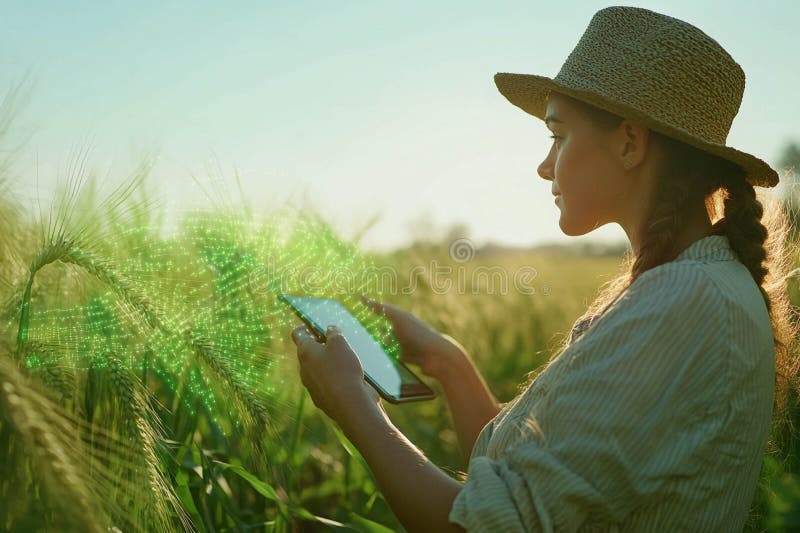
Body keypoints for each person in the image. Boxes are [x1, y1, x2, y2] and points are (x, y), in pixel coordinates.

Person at [291, 5, 798, 532]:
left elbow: (481, 526)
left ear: (629, 142)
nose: (544, 164)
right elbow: (532, 481)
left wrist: (352, 404)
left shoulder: (685, 303)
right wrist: (449, 362)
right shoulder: (685, 285)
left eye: (558, 135)